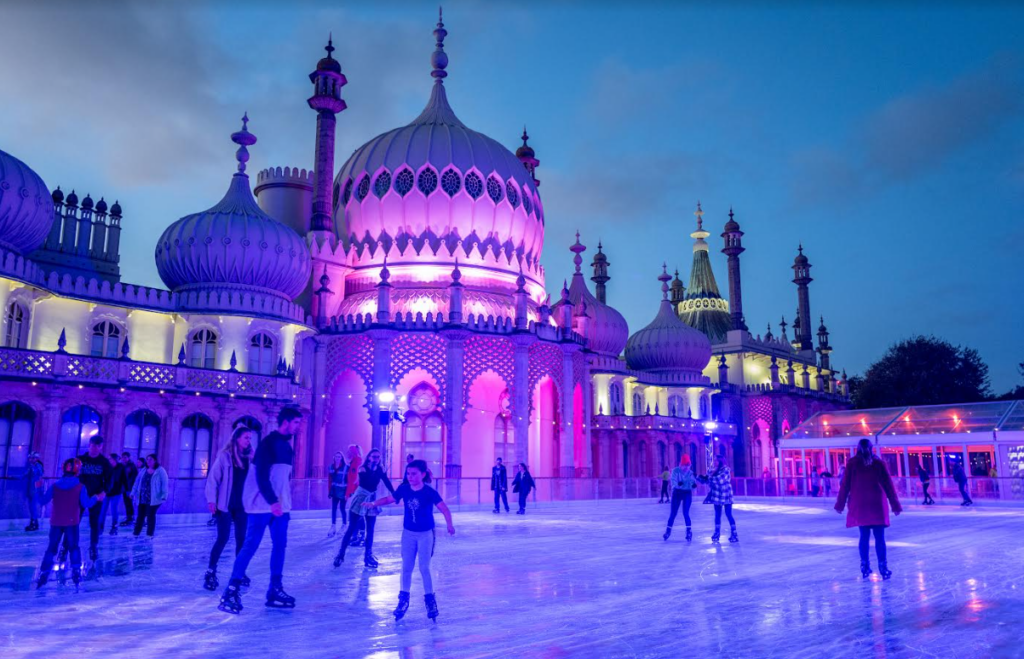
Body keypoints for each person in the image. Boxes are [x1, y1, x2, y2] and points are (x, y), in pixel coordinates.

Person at [219, 407, 303, 614]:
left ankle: (275, 588)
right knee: (251, 545)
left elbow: (281, 478)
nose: (298, 427)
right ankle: (231, 590)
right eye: (295, 423)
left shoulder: (287, 446)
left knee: (280, 546)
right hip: (261, 504)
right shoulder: (268, 443)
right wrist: (272, 500)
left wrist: (281, 502)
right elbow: (261, 475)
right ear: (285, 422)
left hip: (280, 506)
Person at [364, 459, 455, 621]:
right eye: (408, 474)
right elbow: (389, 499)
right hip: (408, 534)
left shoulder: (429, 492)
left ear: (423, 474)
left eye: (414, 474)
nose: (410, 477)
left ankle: (430, 601)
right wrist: (373, 503)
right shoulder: (404, 489)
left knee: (424, 568)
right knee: (406, 567)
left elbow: (444, 508)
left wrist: (449, 524)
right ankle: (403, 601)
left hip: (426, 535)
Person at [834, 438, 902, 579]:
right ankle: (883, 567)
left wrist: (840, 505)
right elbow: (888, 485)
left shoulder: (852, 464)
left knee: (864, 537)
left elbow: (845, 486)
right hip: (877, 505)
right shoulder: (878, 464)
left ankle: (864, 566)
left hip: (861, 506)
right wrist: (895, 506)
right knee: (879, 538)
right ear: (872, 449)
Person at [35, 458, 105, 588]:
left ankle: (43, 573)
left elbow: (42, 501)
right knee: (74, 547)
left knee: (51, 548)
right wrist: (97, 497)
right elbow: (86, 504)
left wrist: (38, 488)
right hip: (72, 522)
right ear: (77, 471)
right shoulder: (80, 487)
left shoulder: (55, 486)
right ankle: (76, 572)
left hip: (56, 522)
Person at [204, 426, 253, 591]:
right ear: (237, 438)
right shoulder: (225, 457)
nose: (249, 440)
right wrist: (211, 500)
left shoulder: (250, 458)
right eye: (246, 437)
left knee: (241, 540)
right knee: (222, 538)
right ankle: (211, 571)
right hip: (225, 506)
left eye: (250, 438)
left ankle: (239, 572)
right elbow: (213, 479)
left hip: (242, 507)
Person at [333, 447, 394, 569]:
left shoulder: (380, 469)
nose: (376, 459)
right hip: (360, 498)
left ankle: (368, 556)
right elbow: (367, 482)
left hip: (372, 499)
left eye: (378, 457)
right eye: (374, 457)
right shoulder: (363, 469)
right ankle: (340, 555)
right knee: (351, 527)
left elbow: (386, 481)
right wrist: (373, 469)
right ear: (369, 458)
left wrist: (394, 493)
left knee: (370, 529)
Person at [78, 435, 112, 560]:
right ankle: (66, 546)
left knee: (94, 522)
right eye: (93, 445)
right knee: (74, 521)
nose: (95, 448)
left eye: (98, 446)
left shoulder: (104, 462)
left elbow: (109, 479)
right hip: (80, 495)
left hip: (96, 496)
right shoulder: (81, 459)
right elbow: (72, 474)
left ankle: (93, 546)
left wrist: (104, 492)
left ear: (101, 447)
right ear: (89, 445)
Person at [698, 456, 738, 543]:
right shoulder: (712, 470)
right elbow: (707, 481)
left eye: (716, 460)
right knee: (717, 515)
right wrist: (700, 479)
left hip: (726, 494)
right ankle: (717, 533)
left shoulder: (726, 470)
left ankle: (734, 533)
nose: (715, 462)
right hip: (716, 495)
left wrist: (708, 478)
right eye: (714, 460)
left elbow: (720, 480)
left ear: (720, 461)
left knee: (728, 514)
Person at [130, 454, 168, 538]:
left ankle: (149, 534)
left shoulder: (160, 471)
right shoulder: (143, 470)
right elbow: (137, 482)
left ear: (155, 460)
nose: (148, 461)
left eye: (150, 459)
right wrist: (133, 493)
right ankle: (136, 533)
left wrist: (164, 495)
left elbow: (164, 484)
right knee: (140, 516)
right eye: (147, 459)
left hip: (154, 498)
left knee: (150, 515)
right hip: (142, 497)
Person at [663, 454, 698, 541]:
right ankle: (668, 531)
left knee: (686, 513)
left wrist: (693, 485)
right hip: (677, 493)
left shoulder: (690, 473)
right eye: (684, 465)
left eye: (688, 466)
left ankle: (689, 532)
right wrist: (677, 485)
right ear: (680, 464)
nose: (686, 468)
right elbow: (673, 481)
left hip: (687, 493)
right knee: (673, 513)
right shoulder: (675, 471)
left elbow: (693, 483)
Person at [101, 453, 127, 535]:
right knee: (103, 510)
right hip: (106, 491)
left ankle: (114, 527)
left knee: (114, 509)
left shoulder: (121, 467)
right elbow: (102, 477)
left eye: (111, 459)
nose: (109, 460)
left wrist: (128, 490)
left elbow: (124, 478)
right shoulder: (106, 467)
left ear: (115, 460)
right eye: (109, 459)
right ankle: (100, 528)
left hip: (116, 491)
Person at [344, 444, 364, 546]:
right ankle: (356, 535)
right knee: (355, 514)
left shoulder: (357, 461)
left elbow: (355, 479)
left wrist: (349, 493)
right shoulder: (354, 461)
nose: (347, 453)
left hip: (356, 493)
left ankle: (359, 535)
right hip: (355, 492)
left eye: (349, 451)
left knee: (356, 515)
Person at [327, 451, 348, 537]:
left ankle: (344, 525)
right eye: (336, 456)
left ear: (342, 458)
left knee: (342, 508)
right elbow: (330, 480)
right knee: (334, 509)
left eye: (339, 457)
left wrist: (348, 493)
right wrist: (329, 491)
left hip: (343, 492)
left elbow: (349, 480)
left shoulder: (346, 467)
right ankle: (333, 526)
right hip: (335, 491)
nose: (338, 458)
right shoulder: (331, 467)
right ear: (334, 458)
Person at [23, 452, 44, 532]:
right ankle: (35, 523)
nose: (31, 459)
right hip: (31, 489)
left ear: (36, 459)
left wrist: (33, 468)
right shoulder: (31, 466)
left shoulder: (38, 466)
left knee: (33, 507)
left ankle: (34, 523)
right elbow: (24, 475)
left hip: (35, 490)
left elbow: (40, 474)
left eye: (33, 458)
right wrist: (13, 477)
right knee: (31, 507)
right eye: (30, 458)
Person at [120, 452, 138, 527]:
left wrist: (130, 488)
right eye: (122, 457)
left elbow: (133, 477)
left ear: (128, 457)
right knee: (127, 502)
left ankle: (130, 518)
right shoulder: (123, 465)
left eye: (125, 457)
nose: (123, 459)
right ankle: (129, 517)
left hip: (129, 488)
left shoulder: (132, 466)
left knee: (129, 502)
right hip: (124, 488)